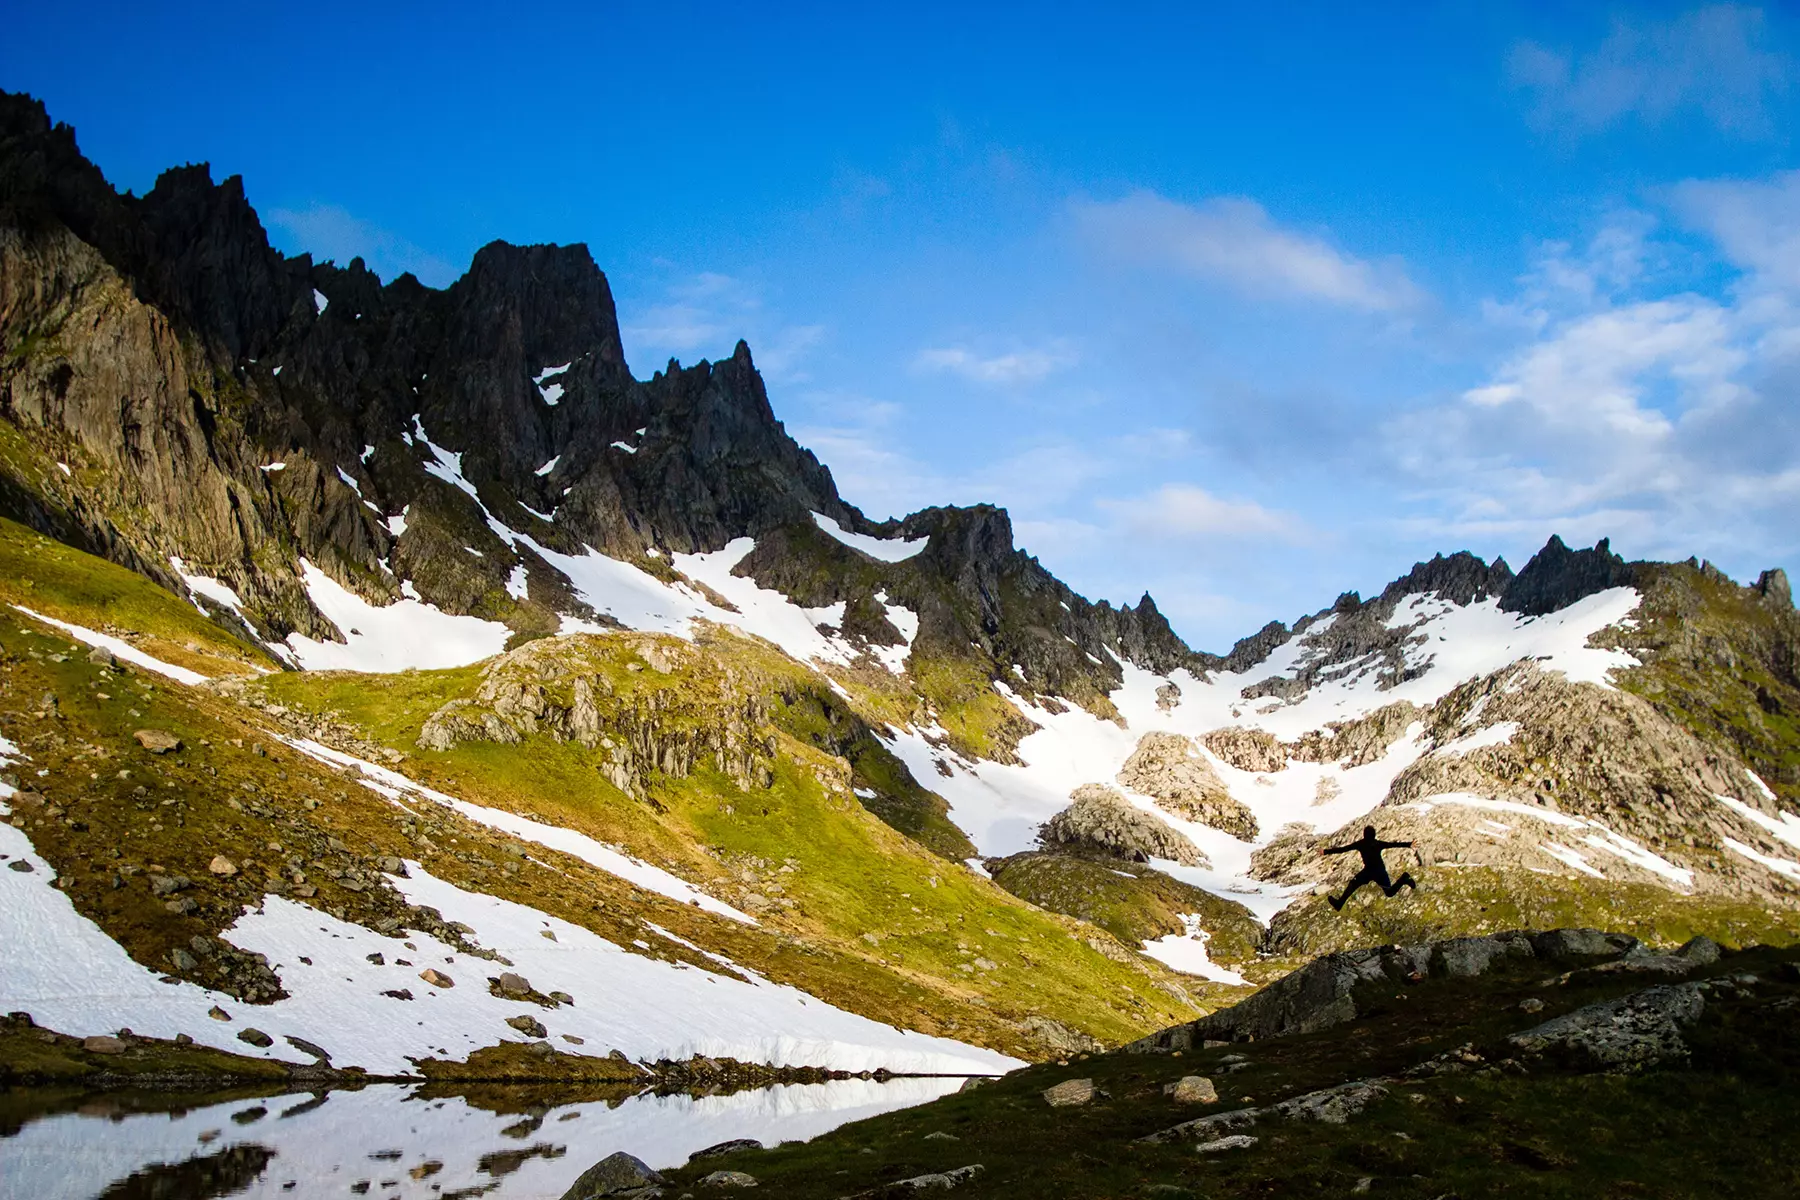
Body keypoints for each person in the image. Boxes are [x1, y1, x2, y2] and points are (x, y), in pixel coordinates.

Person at [1323, 825, 1417, 910]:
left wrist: (1325, 851)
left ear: (1364, 835)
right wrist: (1408, 844)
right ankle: (1404, 878)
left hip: (1368, 872)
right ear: (1374, 835)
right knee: (1389, 892)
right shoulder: (1378, 843)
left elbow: (1343, 849)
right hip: (1380, 871)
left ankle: (1339, 903)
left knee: (1353, 884)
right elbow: (1392, 844)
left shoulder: (1360, 844)